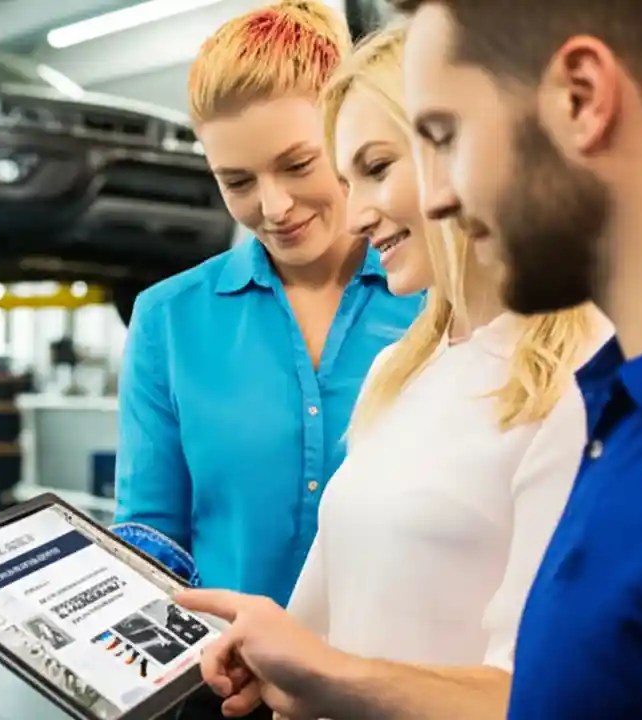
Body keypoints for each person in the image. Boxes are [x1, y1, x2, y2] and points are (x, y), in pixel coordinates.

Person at [175, 0, 642, 716]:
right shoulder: (629, 409)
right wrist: (307, 670)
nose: (441, 196)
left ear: (581, 98)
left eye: (444, 138)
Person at [113, 3, 422, 715]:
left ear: (347, 132)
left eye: (298, 164)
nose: (274, 205)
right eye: (238, 181)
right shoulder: (169, 319)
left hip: (400, 690)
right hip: (227, 692)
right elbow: (154, 528)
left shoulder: (436, 297)